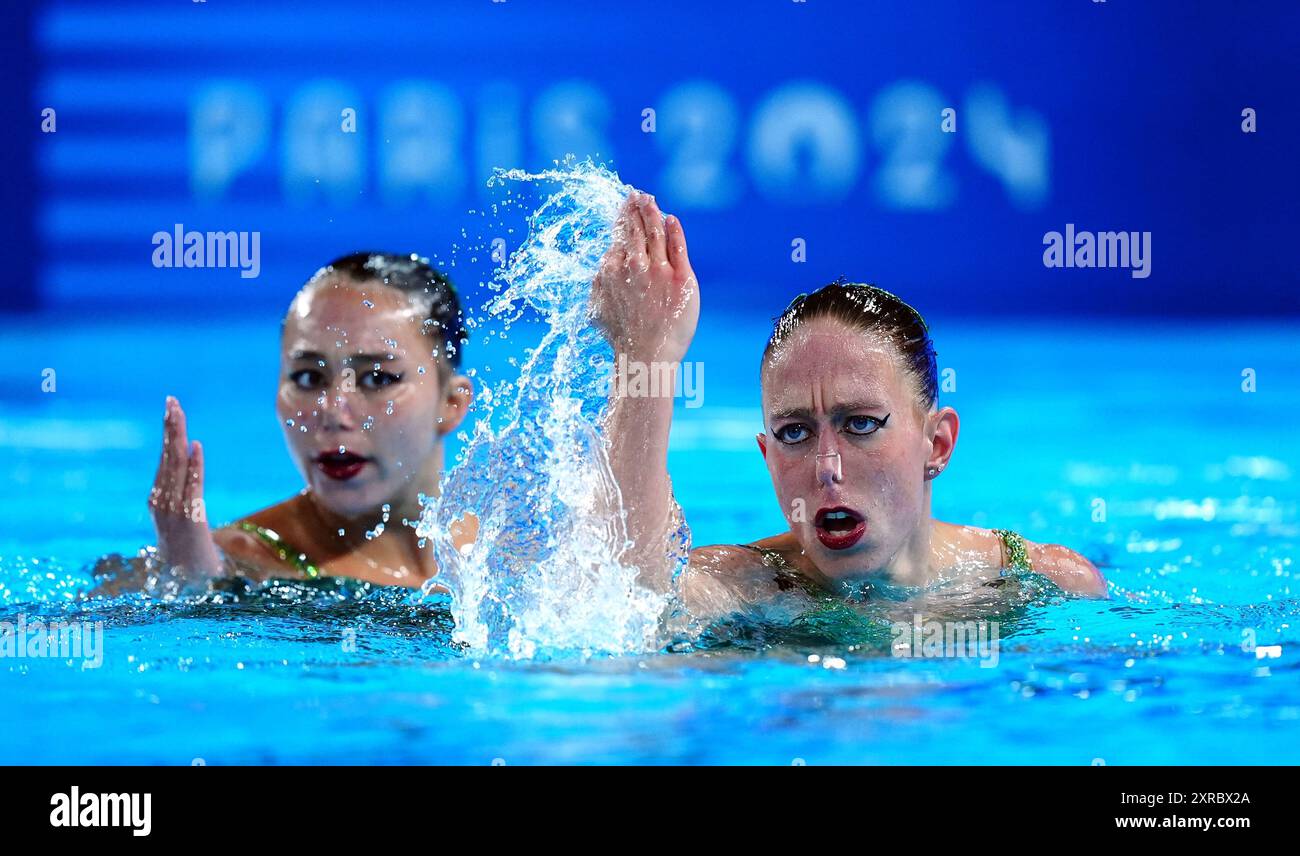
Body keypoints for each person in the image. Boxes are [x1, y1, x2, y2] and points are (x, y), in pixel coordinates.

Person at [593, 192, 1107, 624]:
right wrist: (645, 355)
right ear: (767, 457)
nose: (827, 470)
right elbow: (632, 595)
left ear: (938, 443)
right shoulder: (750, 589)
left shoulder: (1038, 585)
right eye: (795, 432)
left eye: (861, 424)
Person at [95, 252, 474, 593]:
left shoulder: (510, 559)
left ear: (452, 403)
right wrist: (190, 585)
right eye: (309, 377)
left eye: (377, 378)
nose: (333, 411)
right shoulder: (241, 563)